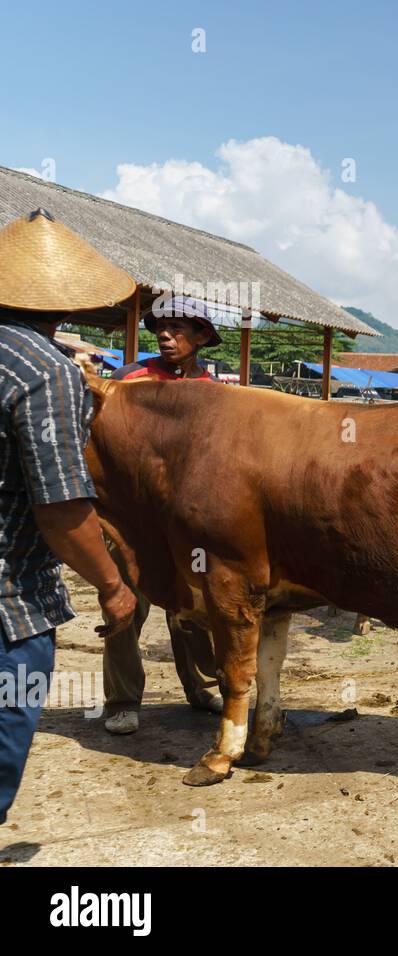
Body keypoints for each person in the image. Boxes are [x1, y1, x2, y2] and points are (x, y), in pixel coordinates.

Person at [0, 208, 138, 825]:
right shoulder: (46, 370)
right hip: (10, 604)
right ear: (68, 303)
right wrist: (112, 585)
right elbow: (59, 507)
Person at [101, 296, 226, 735]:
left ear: (204, 337)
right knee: (125, 604)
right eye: (162, 328)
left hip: (188, 519)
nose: (166, 335)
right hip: (133, 517)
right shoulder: (127, 380)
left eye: (178, 329)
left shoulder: (215, 392)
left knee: (191, 605)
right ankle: (122, 701)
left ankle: (201, 688)